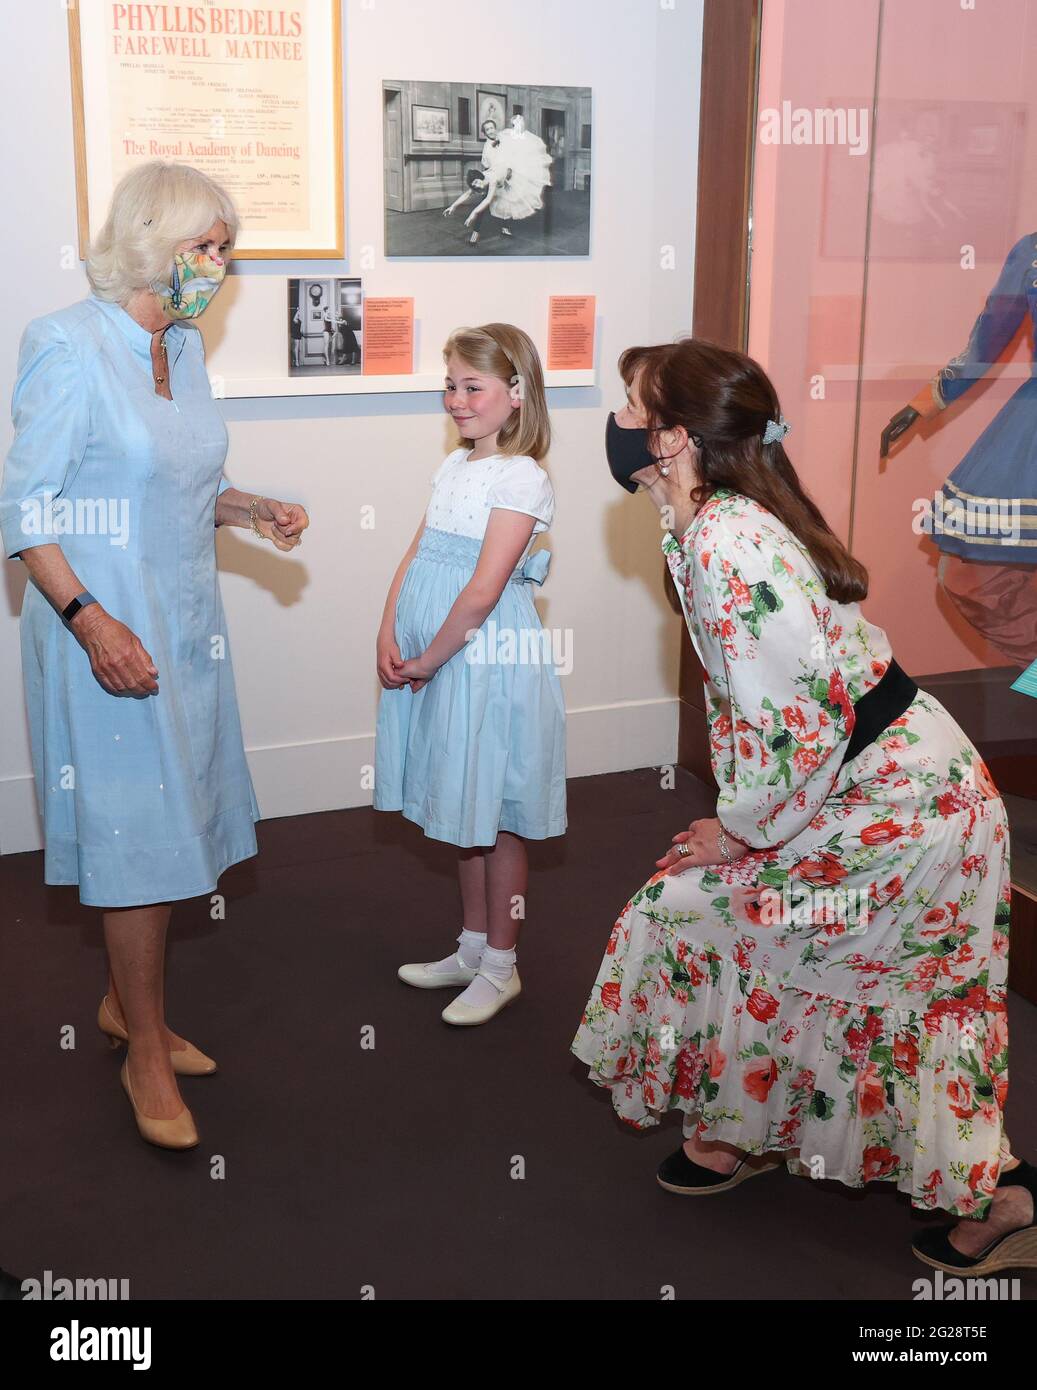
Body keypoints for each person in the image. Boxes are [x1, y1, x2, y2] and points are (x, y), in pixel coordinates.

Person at [571, 338, 1036, 1276]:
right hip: (858, 783)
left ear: (674, 440)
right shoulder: (707, 519)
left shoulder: (725, 542)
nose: (615, 426)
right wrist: (753, 825)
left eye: (631, 409)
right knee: (761, 934)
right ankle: (742, 1128)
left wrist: (739, 831)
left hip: (906, 805)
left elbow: (792, 724)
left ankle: (1004, 1201)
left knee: (727, 924)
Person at [0, 160, 310, 1150]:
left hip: (184, 620)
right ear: (149, 241)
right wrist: (91, 620)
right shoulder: (65, 345)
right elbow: (25, 509)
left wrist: (248, 504)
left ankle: (126, 1006)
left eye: (225, 250)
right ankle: (142, 1049)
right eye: (204, 248)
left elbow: (169, 480)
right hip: (103, 630)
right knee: (138, 843)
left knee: (178, 826)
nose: (217, 268)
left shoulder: (181, 344)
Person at [373, 323, 566, 1026]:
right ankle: (470, 946)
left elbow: (484, 590)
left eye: (471, 386)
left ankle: (501, 966)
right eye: (448, 385)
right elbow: (417, 549)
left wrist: (429, 658)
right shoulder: (454, 465)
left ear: (515, 395)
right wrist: (389, 626)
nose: (456, 399)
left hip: (481, 660)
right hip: (439, 653)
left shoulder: (522, 476)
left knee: (498, 816)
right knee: (463, 811)